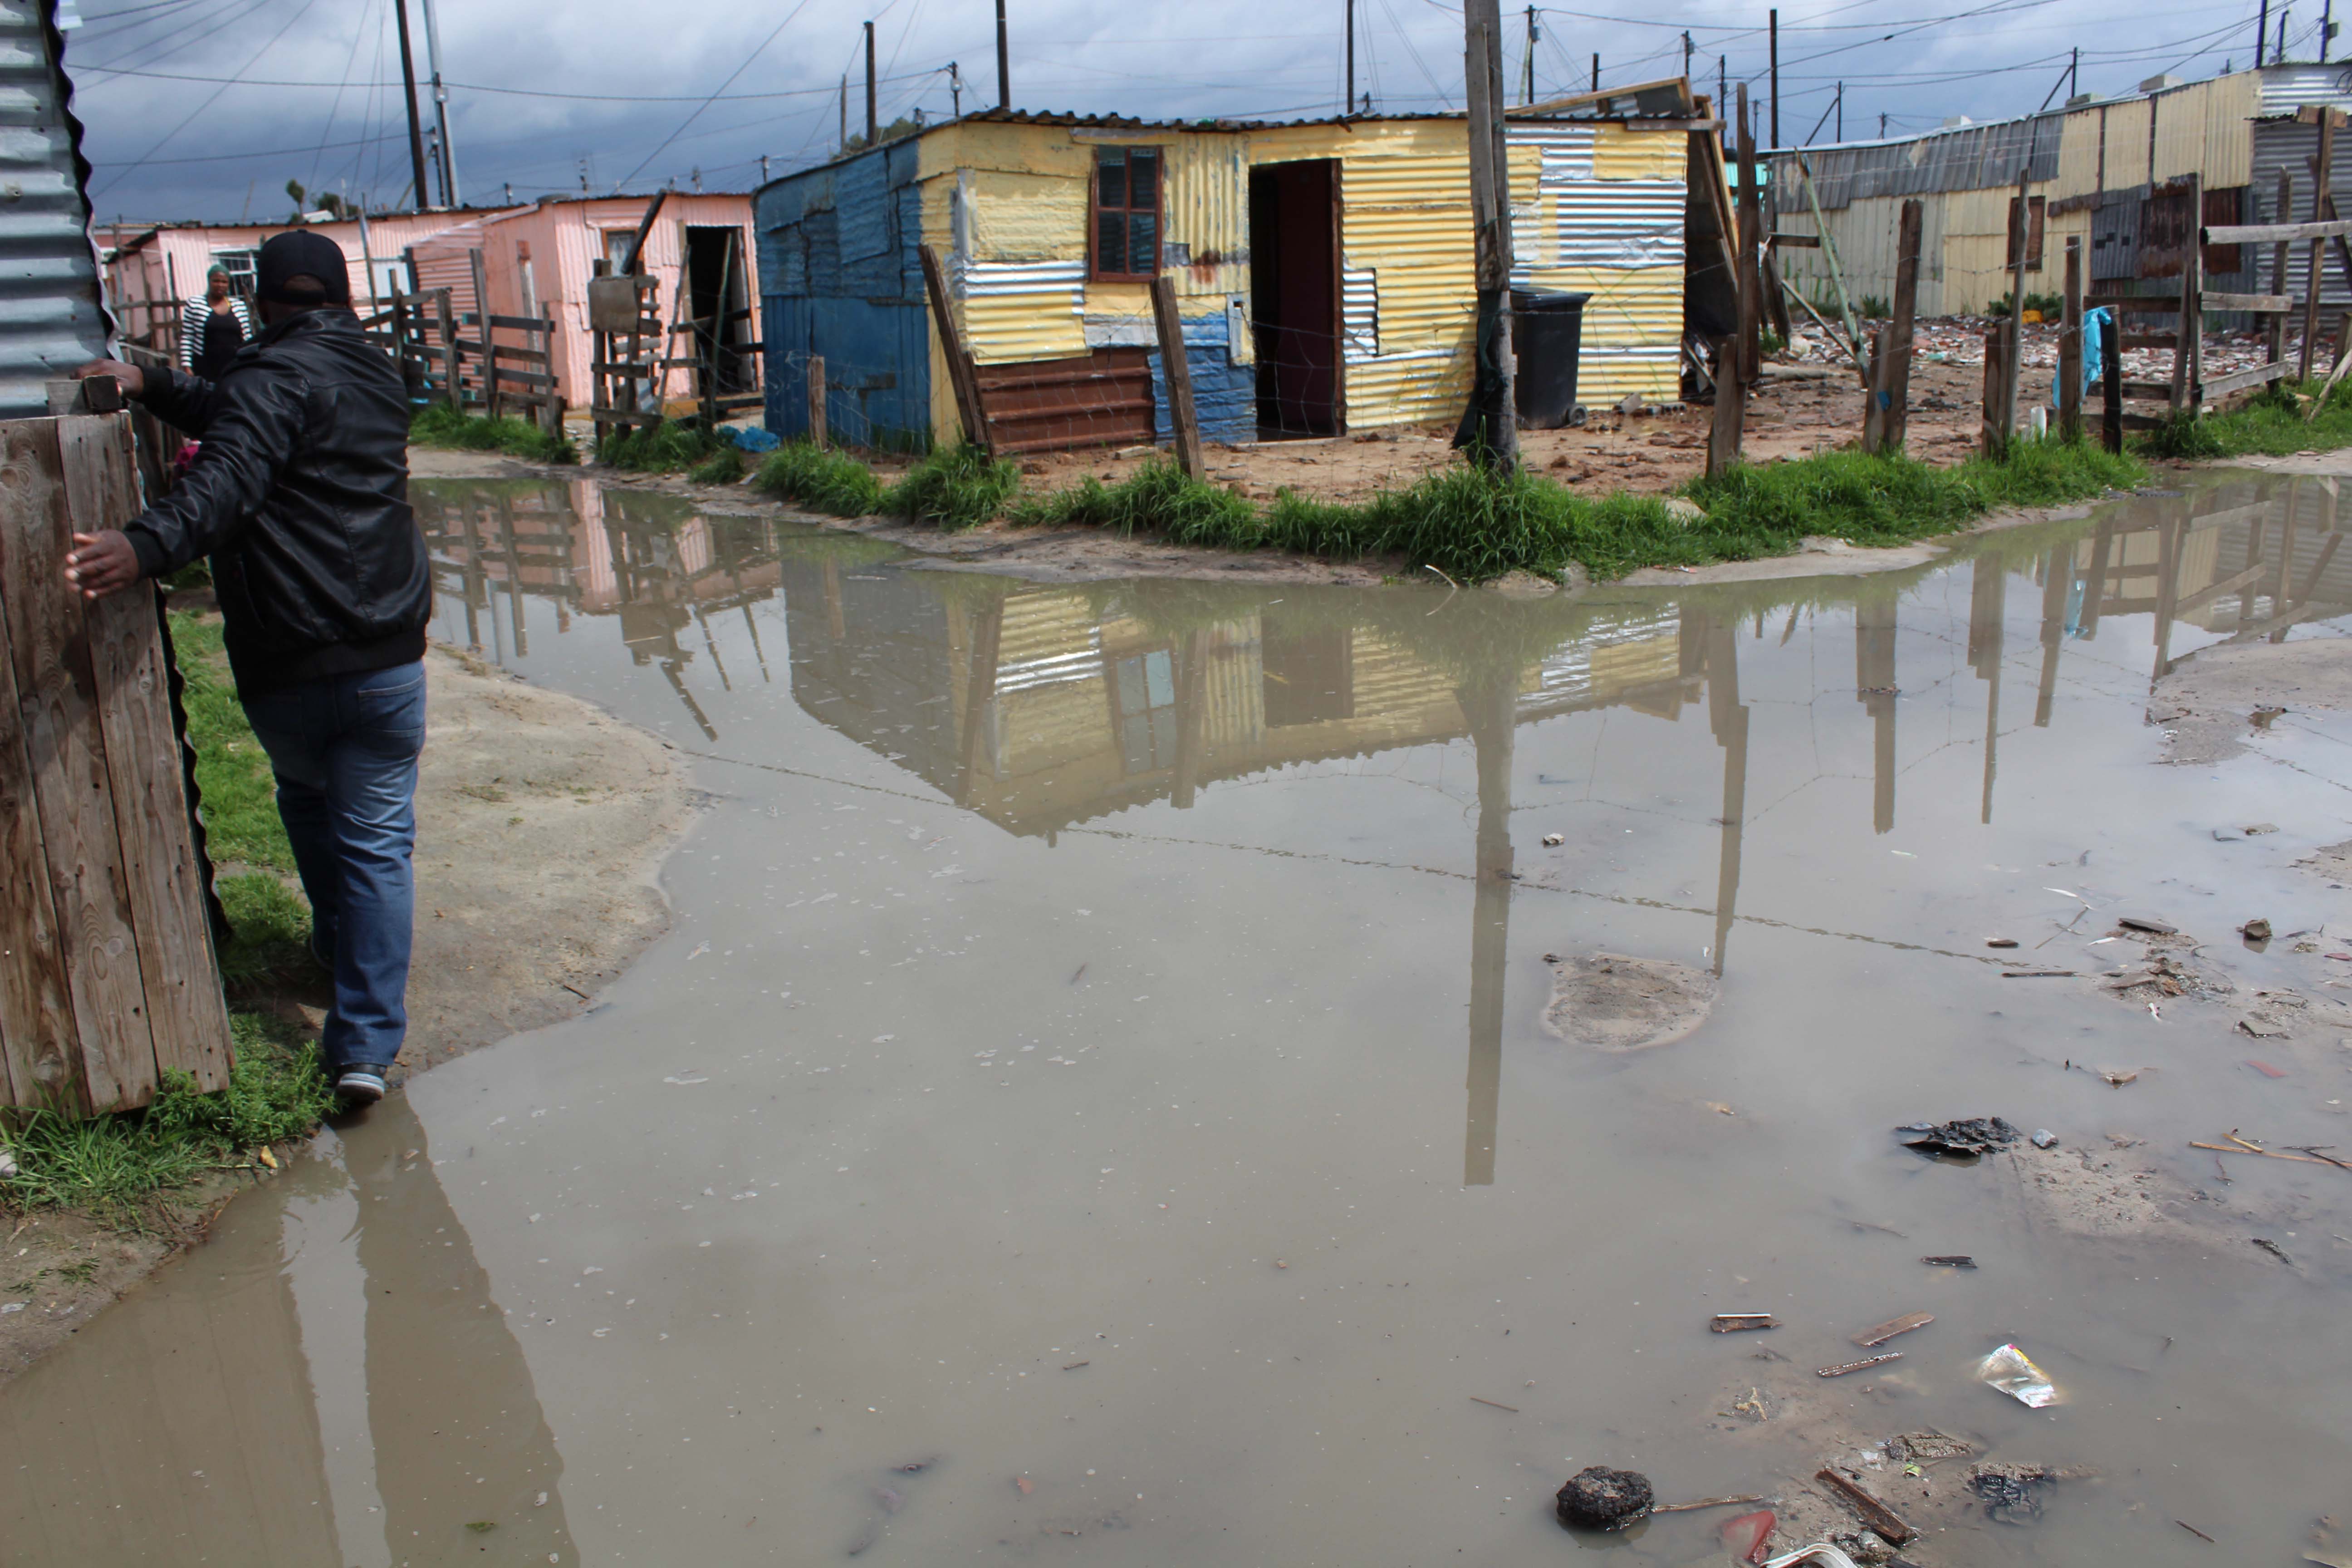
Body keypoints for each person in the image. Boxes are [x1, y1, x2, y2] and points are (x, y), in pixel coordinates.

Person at [68, 230, 430, 1111]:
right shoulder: (378, 376)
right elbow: (252, 423)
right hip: (388, 653)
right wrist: (156, 383)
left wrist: (142, 543)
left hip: (293, 654)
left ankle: (339, 956)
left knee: (309, 803)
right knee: (377, 842)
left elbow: (233, 464)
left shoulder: (268, 380)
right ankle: (365, 1045)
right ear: (344, 298)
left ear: (261, 300)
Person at [180, 264, 254, 382]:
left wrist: (250, 361)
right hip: (204, 367)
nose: (220, 285)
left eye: (224, 282)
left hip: (234, 366)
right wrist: (187, 365)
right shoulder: (195, 304)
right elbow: (187, 336)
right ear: (209, 281)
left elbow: (247, 337)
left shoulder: (239, 306)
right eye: (216, 281)